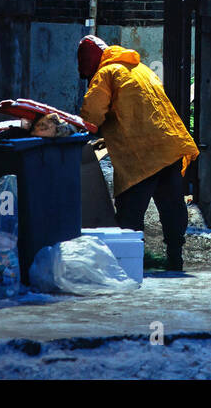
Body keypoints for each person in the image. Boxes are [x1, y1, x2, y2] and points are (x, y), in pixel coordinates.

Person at [77, 35, 199, 272]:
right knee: (172, 205)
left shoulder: (106, 73)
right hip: (169, 144)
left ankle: (130, 261)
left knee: (130, 211)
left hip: (141, 152)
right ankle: (175, 258)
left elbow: (91, 115)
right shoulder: (139, 68)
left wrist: (75, 127)